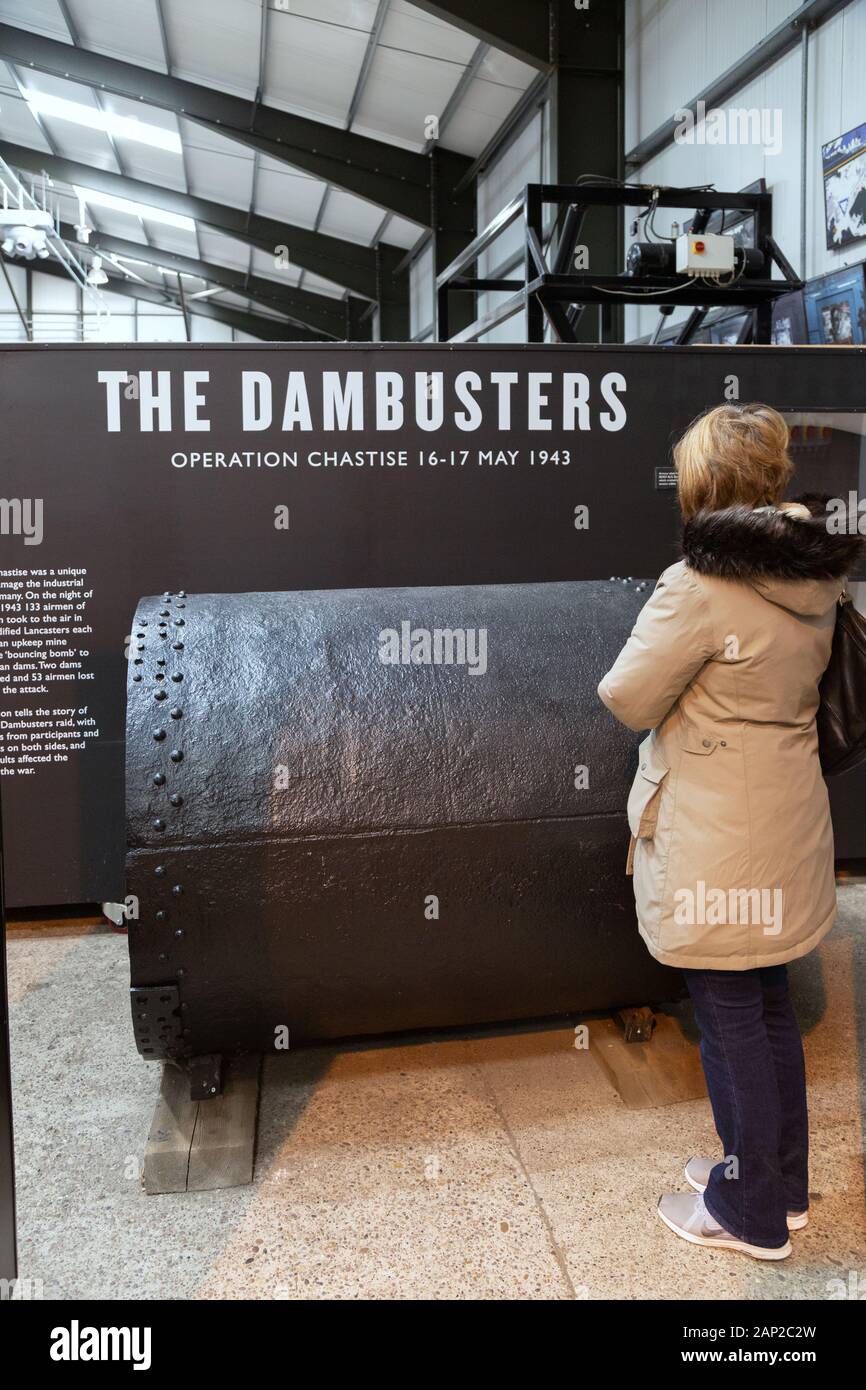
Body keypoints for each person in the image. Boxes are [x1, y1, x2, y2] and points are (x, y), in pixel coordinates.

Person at [597, 403, 862, 1260]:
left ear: (708, 485)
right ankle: (777, 1188)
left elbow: (628, 697)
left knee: (731, 1016)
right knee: (769, 1004)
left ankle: (747, 1213)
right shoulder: (816, 577)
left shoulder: (699, 585)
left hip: (717, 832)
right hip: (787, 821)